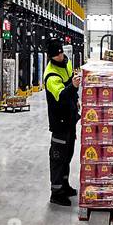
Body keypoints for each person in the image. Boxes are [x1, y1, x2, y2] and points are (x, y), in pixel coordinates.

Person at [44, 41, 80, 206]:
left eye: (61, 53)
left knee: (68, 155)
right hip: (59, 121)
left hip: (70, 119)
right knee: (58, 157)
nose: (60, 56)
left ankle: (64, 185)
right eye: (56, 54)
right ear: (51, 57)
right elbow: (61, 97)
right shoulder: (50, 75)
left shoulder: (66, 61)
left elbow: (71, 82)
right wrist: (73, 87)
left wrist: (77, 99)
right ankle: (56, 192)